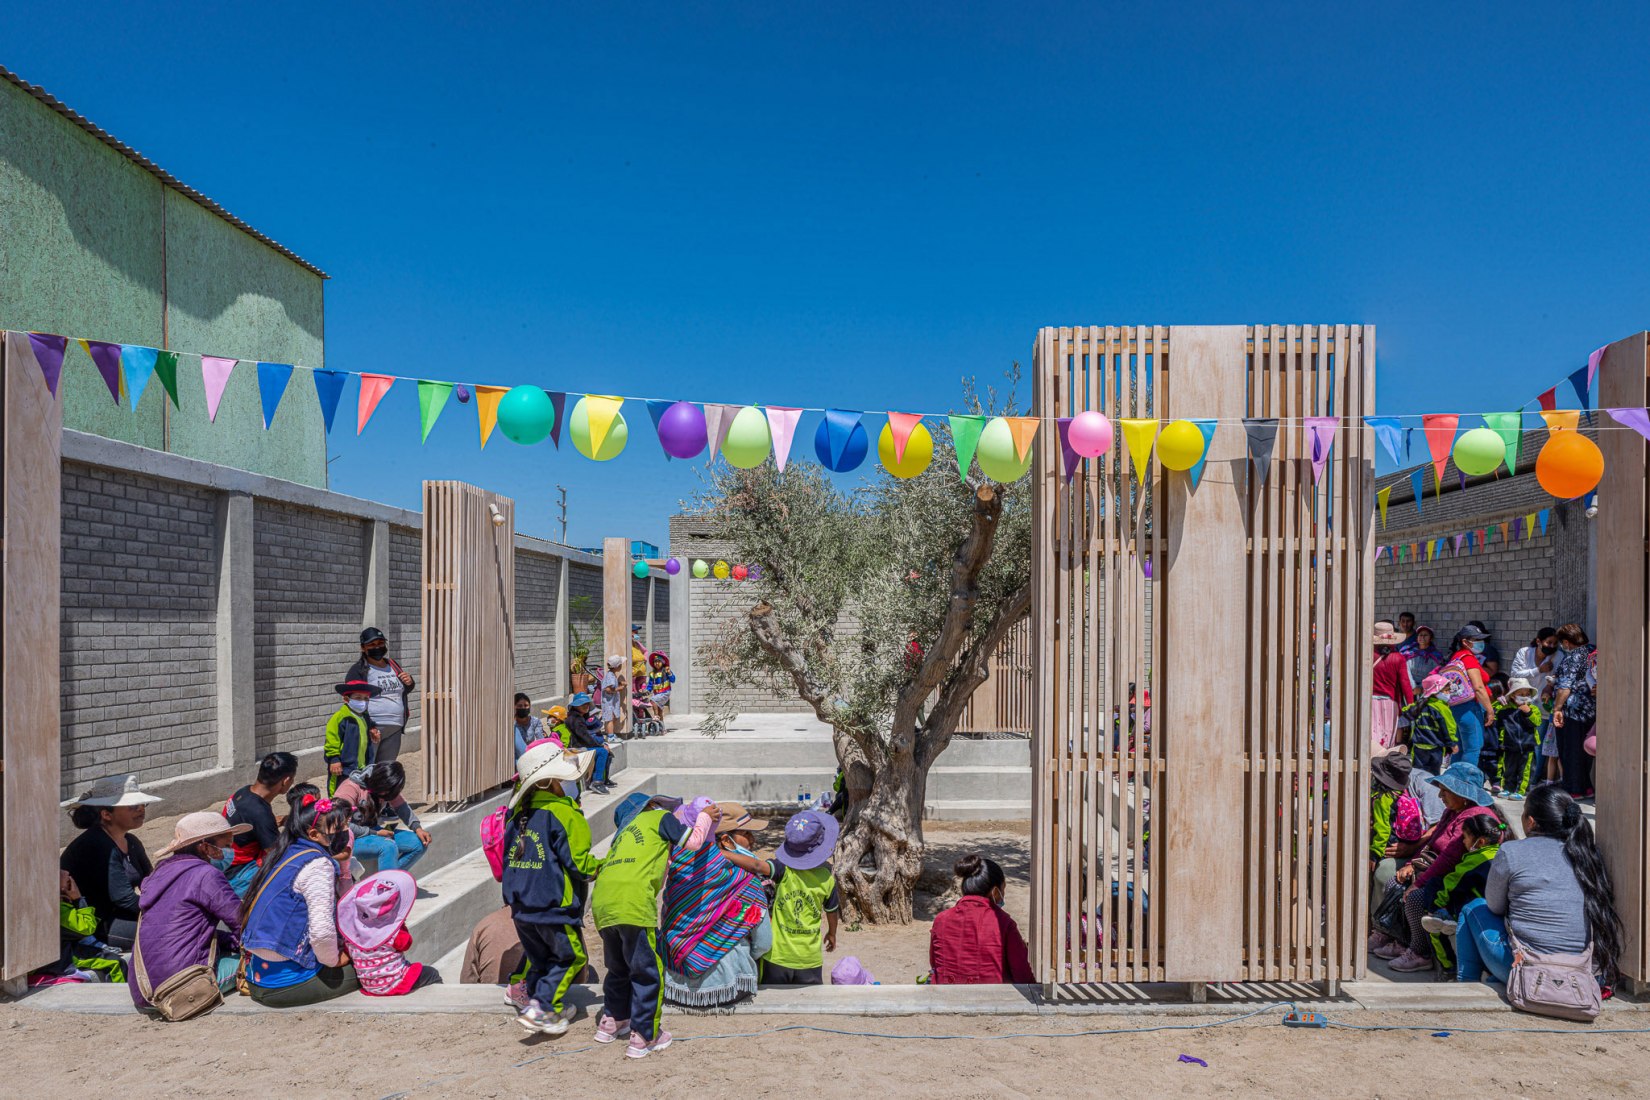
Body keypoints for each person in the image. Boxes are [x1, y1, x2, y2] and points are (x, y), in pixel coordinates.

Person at [1452, 784, 1623, 991]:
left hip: (1529, 971)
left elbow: (1494, 906)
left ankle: (1467, 985)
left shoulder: (1510, 851)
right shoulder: (1587, 855)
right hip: (1582, 974)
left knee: (1473, 907)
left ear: (1530, 822)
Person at [590, 793, 717, 1058]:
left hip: (603, 903)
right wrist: (705, 818)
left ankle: (612, 1021)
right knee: (647, 971)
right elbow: (693, 842)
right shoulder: (660, 818)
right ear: (651, 805)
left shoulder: (622, 835)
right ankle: (645, 1035)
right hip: (634, 904)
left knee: (617, 967)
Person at [504, 742, 599, 1035]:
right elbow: (580, 864)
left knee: (540, 959)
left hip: (521, 907)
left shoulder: (517, 815)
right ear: (549, 782)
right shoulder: (565, 814)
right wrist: (607, 865)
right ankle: (543, 1007)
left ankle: (546, 1005)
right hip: (554, 905)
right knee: (570, 957)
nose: (570, 785)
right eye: (564, 780)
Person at [1370, 762, 1498, 973]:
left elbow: (1449, 858)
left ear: (1462, 794)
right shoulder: (1452, 811)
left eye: (1445, 791)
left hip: (1461, 881)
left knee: (1415, 896)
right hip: (1437, 869)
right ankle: (1401, 939)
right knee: (1396, 880)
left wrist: (1419, 881)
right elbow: (1432, 843)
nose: (1440, 796)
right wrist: (1411, 865)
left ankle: (1420, 953)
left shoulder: (1473, 817)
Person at [239, 793, 360, 1007]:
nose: (344, 834)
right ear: (314, 834)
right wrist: (335, 960)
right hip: (285, 984)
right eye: (338, 830)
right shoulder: (318, 865)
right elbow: (321, 932)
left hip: (256, 975)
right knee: (370, 967)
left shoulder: (286, 852)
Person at [128, 812, 251, 1010]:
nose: (230, 852)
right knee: (258, 965)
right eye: (226, 846)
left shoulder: (159, 875)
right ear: (204, 847)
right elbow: (243, 923)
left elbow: (183, 929)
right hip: (182, 987)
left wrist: (230, 941)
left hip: (142, 989)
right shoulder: (206, 875)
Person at [662, 801, 772, 1008]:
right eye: (746, 834)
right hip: (730, 986)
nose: (753, 839)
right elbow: (764, 942)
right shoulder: (746, 882)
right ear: (726, 840)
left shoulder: (677, 875)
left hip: (674, 987)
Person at [60, 774, 160, 949]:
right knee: (168, 932)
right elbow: (125, 899)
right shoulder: (96, 844)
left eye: (143, 804)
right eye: (133, 806)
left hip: (120, 915)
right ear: (106, 814)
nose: (141, 809)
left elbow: (150, 881)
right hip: (96, 923)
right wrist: (163, 910)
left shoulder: (131, 841)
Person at [762, 809, 841, 987]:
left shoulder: (782, 869)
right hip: (809, 959)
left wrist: (724, 853)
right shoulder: (826, 877)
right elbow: (832, 910)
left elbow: (757, 865)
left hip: (777, 955)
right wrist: (832, 933)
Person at [1419, 814, 1507, 971]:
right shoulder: (1501, 854)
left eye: (1465, 837)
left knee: (1434, 886)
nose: (1463, 842)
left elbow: (1451, 883)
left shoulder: (1476, 860)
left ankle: (1447, 966)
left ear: (1480, 842)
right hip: (1492, 906)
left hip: (1471, 907)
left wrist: (1436, 905)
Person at [928, 854, 1033, 984]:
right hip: (992, 1001)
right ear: (995, 891)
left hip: (945, 1000)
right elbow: (1023, 976)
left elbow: (935, 964)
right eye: (1003, 889)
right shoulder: (1003, 923)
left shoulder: (941, 920)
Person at [337, 870, 440, 996]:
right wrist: (400, 925)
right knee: (432, 973)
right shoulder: (393, 933)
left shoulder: (352, 934)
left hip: (369, 986)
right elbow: (406, 944)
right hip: (396, 982)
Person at [221, 751, 300, 897]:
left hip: (223, 862)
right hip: (237, 873)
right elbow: (276, 853)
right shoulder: (260, 813)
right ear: (286, 781)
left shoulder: (243, 792)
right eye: (292, 779)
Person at [334, 762, 431, 873]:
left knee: (419, 843)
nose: (387, 796)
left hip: (372, 832)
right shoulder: (350, 788)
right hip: (348, 839)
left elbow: (402, 807)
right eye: (387, 792)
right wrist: (374, 833)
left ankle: (388, 878)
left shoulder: (385, 788)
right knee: (388, 846)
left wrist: (417, 828)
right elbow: (340, 825)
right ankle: (386, 885)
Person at [42, 871, 126, 984]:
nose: (66, 872)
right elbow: (88, 928)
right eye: (60, 871)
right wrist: (78, 898)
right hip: (62, 960)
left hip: (59, 953)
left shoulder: (50, 904)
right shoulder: (59, 911)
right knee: (116, 962)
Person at [348, 626, 416, 763]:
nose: (377, 647)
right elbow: (353, 701)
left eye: (380, 643)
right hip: (373, 729)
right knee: (368, 768)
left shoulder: (392, 665)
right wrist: (369, 726)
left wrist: (410, 682)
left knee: (385, 770)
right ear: (363, 648)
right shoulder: (359, 670)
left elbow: (401, 691)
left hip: (395, 727)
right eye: (372, 645)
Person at [1551, 623, 1597, 797]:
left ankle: (1574, 790)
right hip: (1591, 711)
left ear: (1567, 642)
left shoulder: (1572, 657)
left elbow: (1565, 687)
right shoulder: (1593, 651)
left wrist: (1557, 708)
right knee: (1585, 752)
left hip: (1572, 711)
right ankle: (1587, 787)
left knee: (1570, 751)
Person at [1443, 625, 1496, 770]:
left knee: (1460, 747)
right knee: (1473, 748)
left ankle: (1453, 782)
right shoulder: (1468, 658)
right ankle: (1465, 783)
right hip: (1469, 708)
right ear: (1465, 642)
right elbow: (1478, 687)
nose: (1481, 643)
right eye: (1477, 639)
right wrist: (1490, 710)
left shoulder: (1457, 656)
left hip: (1457, 708)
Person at [1369, 753, 1424, 883]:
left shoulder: (1382, 799)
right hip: (1403, 839)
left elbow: (1382, 829)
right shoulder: (1400, 793)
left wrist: (1374, 854)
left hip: (1387, 845)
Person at [1489, 679, 1542, 800]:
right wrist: (1499, 701)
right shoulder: (1505, 709)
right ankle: (1508, 788)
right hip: (1509, 745)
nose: (1524, 697)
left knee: (1525, 770)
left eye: (1527, 694)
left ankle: (1522, 791)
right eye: (1521, 694)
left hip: (1527, 745)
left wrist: (1528, 713)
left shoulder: (1533, 709)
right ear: (1513, 695)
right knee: (1509, 769)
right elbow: (1493, 711)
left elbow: (1537, 722)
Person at [325, 679, 380, 794]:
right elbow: (332, 739)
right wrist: (334, 759)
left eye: (366, 699)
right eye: (358, 698)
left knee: (359, 791)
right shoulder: (340, 717)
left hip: (361, 765)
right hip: (344, 768)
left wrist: (373, 729)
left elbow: (367, 726)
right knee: (339, 791)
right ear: (346, 699)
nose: (363, 702)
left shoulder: (364, 716)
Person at [1371, 621, 1413, 751]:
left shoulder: (1368, 656)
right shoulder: (1398, 658)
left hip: (1370, 701)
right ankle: (1384, 759)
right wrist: (1411, 704)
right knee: (1388, 734)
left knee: (1372, 733)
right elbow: (1405, 684)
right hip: (1390, 702)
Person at [565, 693, 614, 795]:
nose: (586, 706)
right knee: (602, 752)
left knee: (608, 753)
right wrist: (600, 746)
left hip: (583, 746)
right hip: (577, 749)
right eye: (582, 704)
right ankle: (597, 782)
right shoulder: (575, 719)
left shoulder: (581, 717)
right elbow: (584, 736)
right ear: (575, 706)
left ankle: (604, 779)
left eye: (587, 704)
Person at [1510, 628, 1559, 698]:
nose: (1552, 646)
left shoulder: (1558, 656)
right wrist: (1539, 670)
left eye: (1555, 643)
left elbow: (1559, 678)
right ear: (1538, 641)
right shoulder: (1524, 653)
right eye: (1549, 642)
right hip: (1524, 700)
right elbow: (1515, 675)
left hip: (1543, 702)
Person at [1405, 626, 1445, 694]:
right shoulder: (1410, 653)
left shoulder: (1436, 655)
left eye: (1425, 635)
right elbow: (1406, 670)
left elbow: (1435, 672)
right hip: (1409, 688)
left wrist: (1421, 687)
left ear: (1431, 638)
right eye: (1420, 635)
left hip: (1427, 689)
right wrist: (1413, 686)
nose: (1422, 637)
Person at [512, 692, 546, 761]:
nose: (523, 708)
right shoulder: (512, 724)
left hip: (533, 755)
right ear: (514, 707)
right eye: (520, 706)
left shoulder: (535, 722)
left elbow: (540, 741)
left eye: (526, 705)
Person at [600, 654, 627, 738]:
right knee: (610, 719)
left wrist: (619, 683)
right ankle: (610, 736)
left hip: (611, 702)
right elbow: (608, 689)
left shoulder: (611, 674)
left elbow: (612, 684)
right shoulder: (611, 676)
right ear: (617, 666)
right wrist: (619, 688)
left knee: (613, 717)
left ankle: (610, 734)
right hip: (608, 702)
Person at [646, 652, 675, 717]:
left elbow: (673, 680)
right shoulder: (652, 674)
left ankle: (656, 716)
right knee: (660, 711)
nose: (657, 663)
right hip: (657, 694)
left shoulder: (666, 671)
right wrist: (647, 691)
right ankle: (661, 725)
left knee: (652, 700)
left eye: (659, 661)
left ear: (663, 662)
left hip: (665, 693)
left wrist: (670, 673)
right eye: (655, 662)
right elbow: (650, 685)